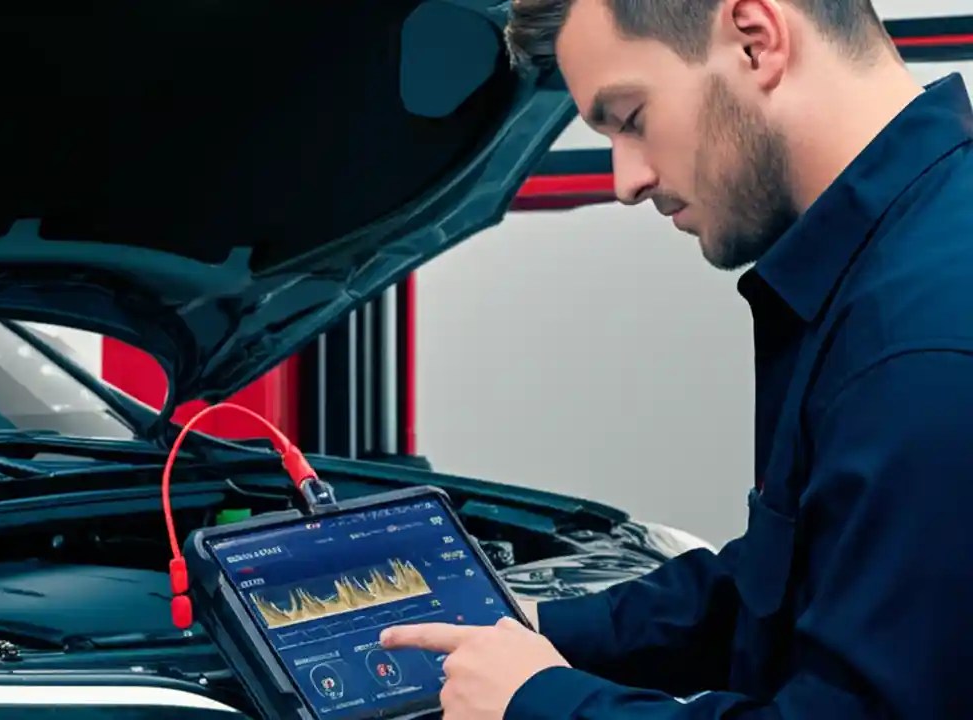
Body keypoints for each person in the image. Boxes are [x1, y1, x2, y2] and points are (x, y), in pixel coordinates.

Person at [379, 0, 973, 717]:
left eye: (630, 118)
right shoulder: (906, 253)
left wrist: (540, 703)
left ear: (755, 42)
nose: (625, 180)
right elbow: (789, 585)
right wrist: (538, 634)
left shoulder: (921, 348)